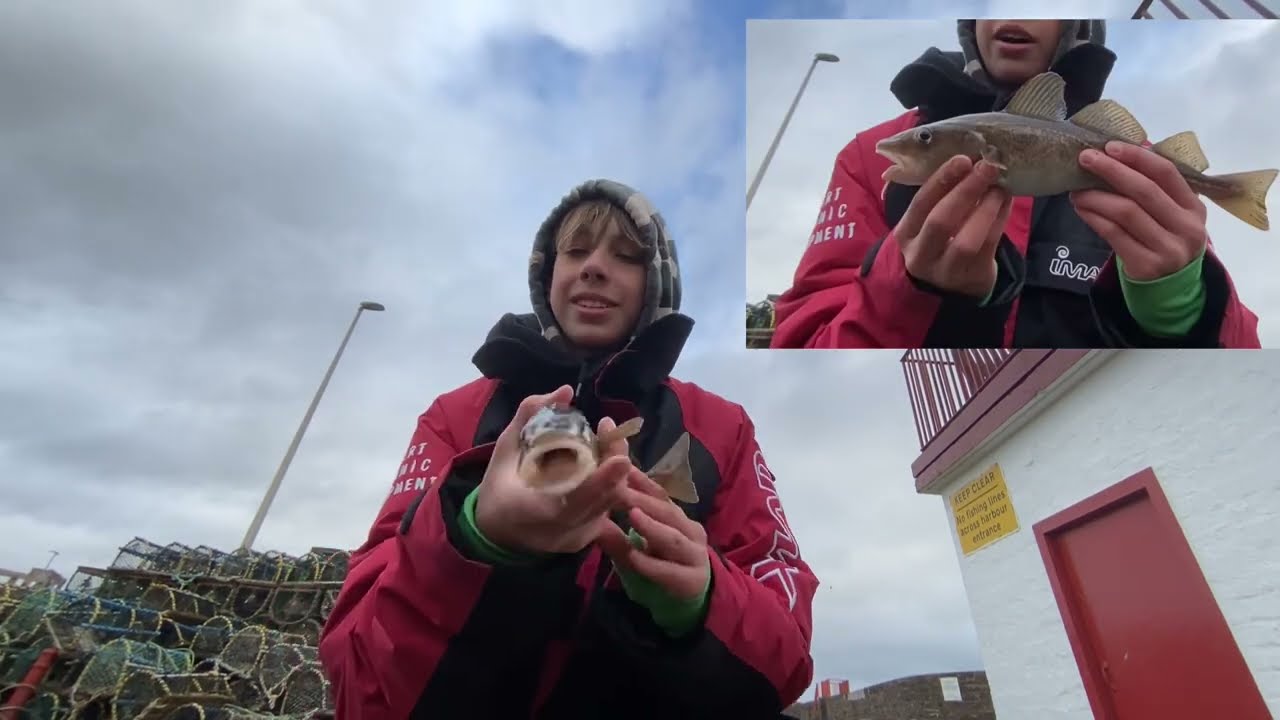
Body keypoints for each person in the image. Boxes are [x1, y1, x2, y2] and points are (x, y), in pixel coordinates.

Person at [318, 179, 818, 719]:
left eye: (626, 256)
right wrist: (473, 537)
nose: (594, 267)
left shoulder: (722, 428)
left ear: (656, 283)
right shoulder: (454, 418)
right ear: (546, 273)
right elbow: (356, 672)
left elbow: (786, 656)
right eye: (575, 252)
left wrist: (703, 599)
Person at [770, 19, 1260, 349]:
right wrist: (907, 288)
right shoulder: (865, 158)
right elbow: (800, 342)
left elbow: (1243, 353)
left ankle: (1238, 194)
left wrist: (1179, 309)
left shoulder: (1141, 171)